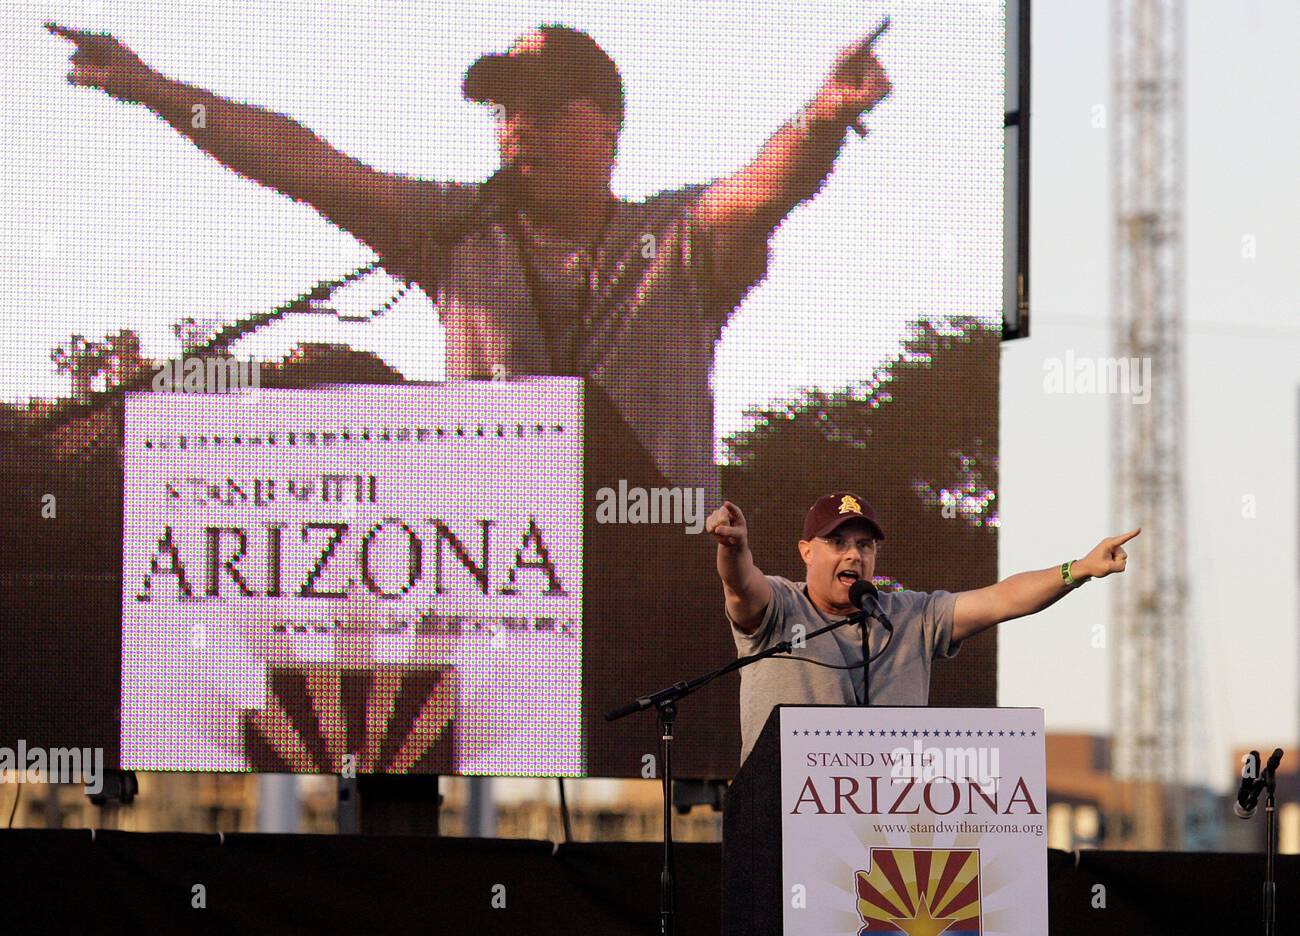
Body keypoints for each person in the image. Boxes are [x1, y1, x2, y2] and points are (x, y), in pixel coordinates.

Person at [47, 21, 893, 504]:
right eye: (503, 111)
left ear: (607, 126)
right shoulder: (458, 229)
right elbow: (305, 163)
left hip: (652, 578)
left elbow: (758, 192)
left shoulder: (675, 237)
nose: (516, 126)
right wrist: (156, 90)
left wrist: (822, 117)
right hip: (494, 580)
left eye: (543, 108)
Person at [706, 493, 1141, 765]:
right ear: (806, 552)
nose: (853, 556)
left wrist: (1079, 569)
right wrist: (735, 547)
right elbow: (741, 587)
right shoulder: (782, 604)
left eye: (864, 545)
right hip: (784, 815)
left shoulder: (910, 615)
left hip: (888, 819)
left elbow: (1002, 599)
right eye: (838, 543)